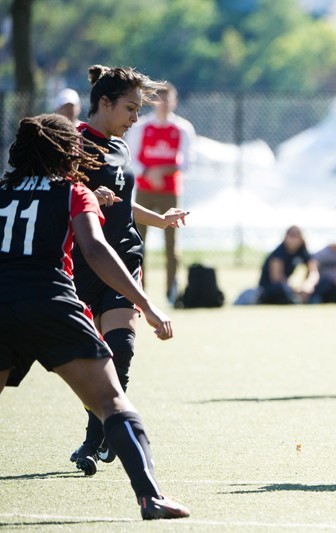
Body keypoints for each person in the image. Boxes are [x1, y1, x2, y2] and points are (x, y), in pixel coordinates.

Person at [0, 113, 189, 520]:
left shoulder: (1, 190)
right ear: (67, 151)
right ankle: (150, 497)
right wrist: (148, 305)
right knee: (112, 402)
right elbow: (98, 251)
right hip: (51, 304)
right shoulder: (73, 192)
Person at [68, 65, 189, 476]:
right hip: (83, 265)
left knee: (121, 350)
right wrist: (84, 194)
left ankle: (95, 438)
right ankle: (99, 430)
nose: (135, 118)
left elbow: (122, 202)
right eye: (130, 108)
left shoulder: (119, 146)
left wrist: (161, 219)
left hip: (123, 260)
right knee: (90, 361)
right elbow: (57, 198)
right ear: (104, 103)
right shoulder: (73, 144)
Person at [126, 82, 196, 304]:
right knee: (138, 242)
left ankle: (171, 293)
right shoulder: (141, 127)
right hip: (144, 192)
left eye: (168, 99)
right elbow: (131, 158)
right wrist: (148, 173)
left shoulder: (182, 129)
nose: (164, 104)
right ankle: (139, 291)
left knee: (171, 246)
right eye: (159, 98)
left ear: (174, 101)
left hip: (170, 193)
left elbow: (187, 161)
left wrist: (162, 171)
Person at [257, 225, 319, 304]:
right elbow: (277, 278)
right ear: (286, 237)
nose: (294, 239)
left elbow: (313, 271)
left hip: (287, 287)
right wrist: (295, 290)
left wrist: (307, 285)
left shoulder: (302, 251)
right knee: (279, 290)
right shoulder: (279, 253)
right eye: (292, 235)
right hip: (270, 288)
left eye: (297, 235)